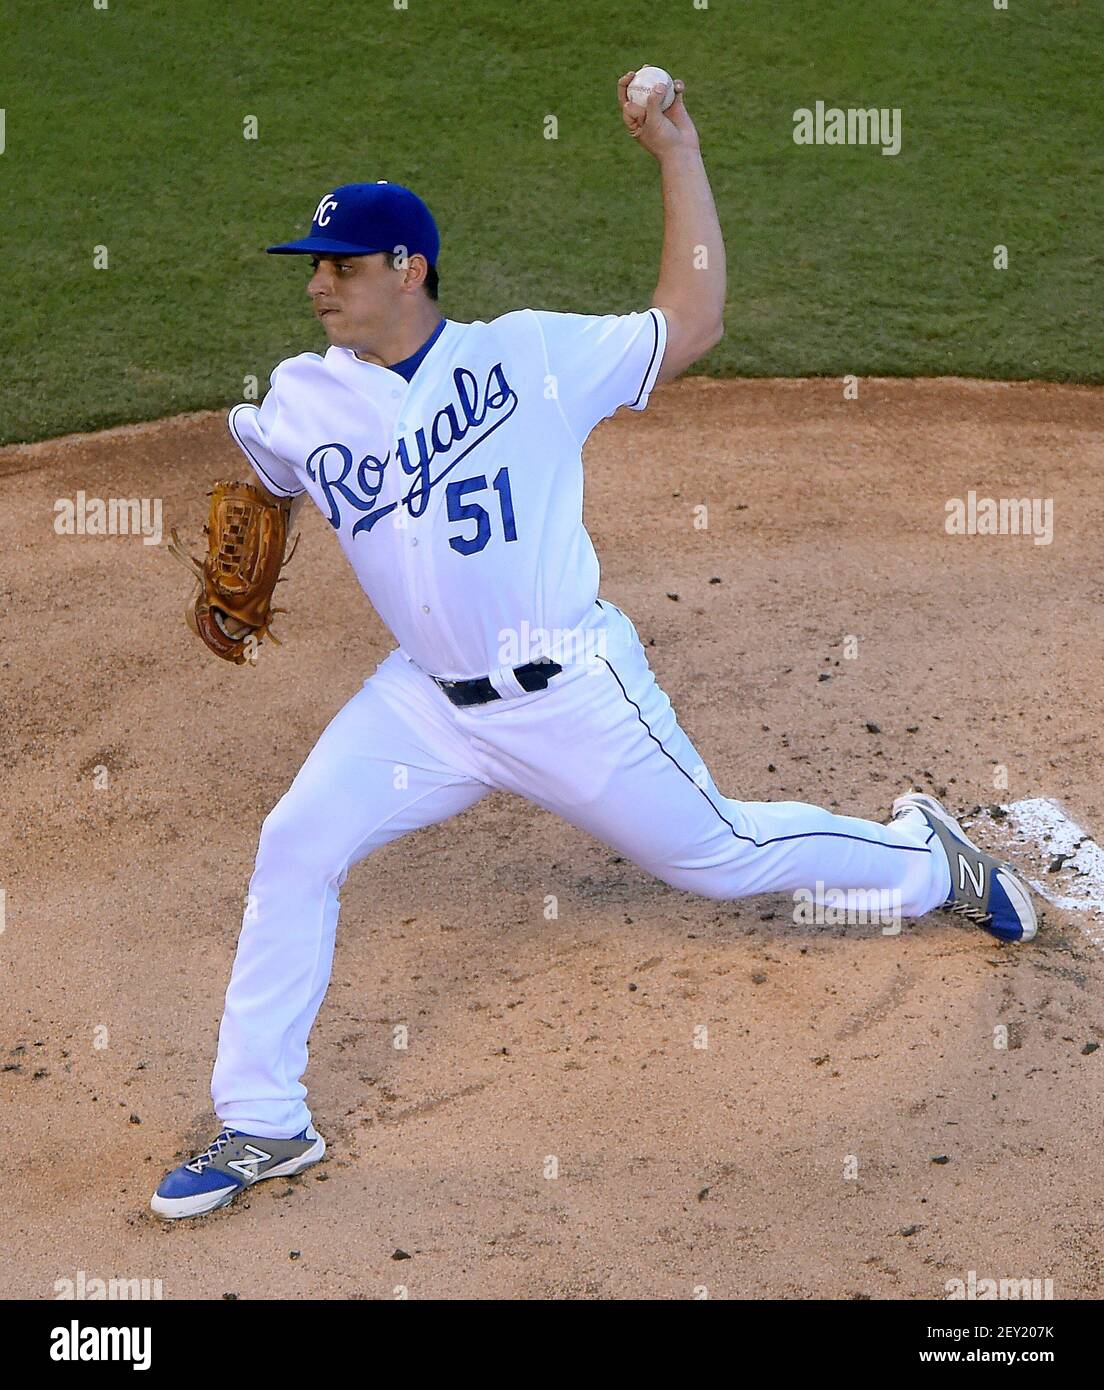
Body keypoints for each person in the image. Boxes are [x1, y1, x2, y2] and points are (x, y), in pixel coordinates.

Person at [151, 73, 1036, 1221]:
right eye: (313, 266)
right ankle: (264, 1120)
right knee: (294, 843)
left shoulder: (531, 357)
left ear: (409, 269)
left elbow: (694, 320)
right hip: (422, 704)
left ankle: (930, 858)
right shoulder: (303, 396)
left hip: (568, 688)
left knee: (715, 854)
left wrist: (676, 151)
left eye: (343, 264)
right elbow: (268, 483)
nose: (318, 283)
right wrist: (242, 576)